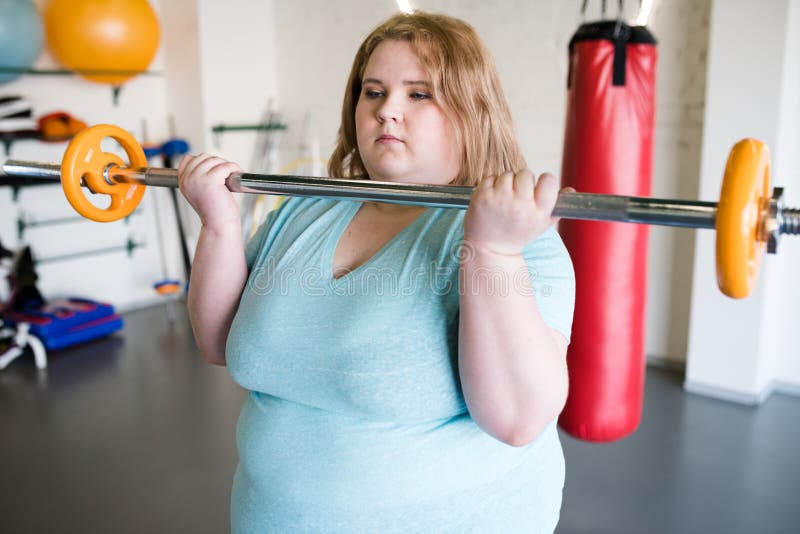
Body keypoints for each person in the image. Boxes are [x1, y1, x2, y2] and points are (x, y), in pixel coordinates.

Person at [178, 11, 575, 534]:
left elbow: (518, 420)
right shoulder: (303, 210)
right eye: (373, 92)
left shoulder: (522, 240)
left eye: (419, 94)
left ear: (473, 111)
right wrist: (219, 224)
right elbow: (219, 342)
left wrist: (493, 251)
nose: (387, 110)